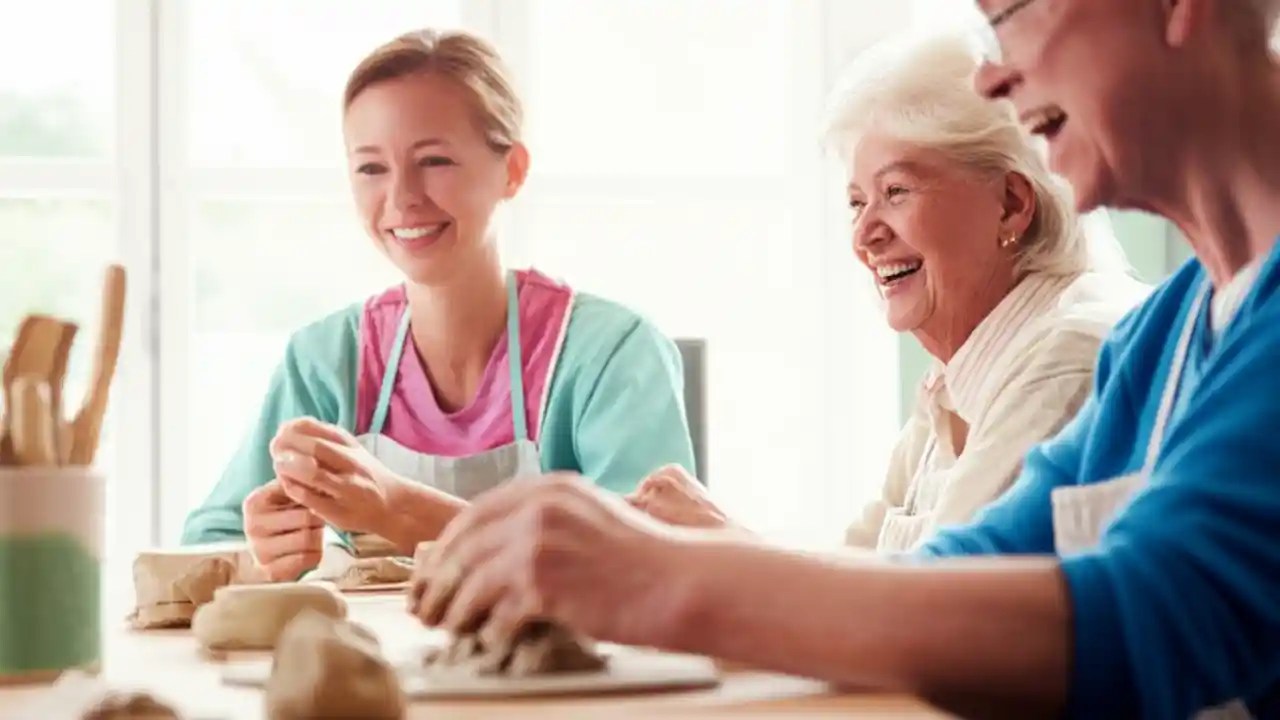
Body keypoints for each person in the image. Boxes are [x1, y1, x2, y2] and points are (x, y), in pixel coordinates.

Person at [409, 3, 1280, 718]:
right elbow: (956, 576)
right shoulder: (1162, 337)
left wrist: (656, 577)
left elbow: (1163, 609)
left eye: (1013, 15)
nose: (994, 77)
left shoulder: (1111, 339)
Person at [180, 28, 696, 583]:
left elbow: (649, 571)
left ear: (513, 170)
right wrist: (262, 552)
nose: (402, 197)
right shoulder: (325, 360)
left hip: (550, 670)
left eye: (435, 161)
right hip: (374, 667)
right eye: (371, 168)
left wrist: (395, 506)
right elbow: (206, 546)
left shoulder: (611, 356)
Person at [627, 32, 1148, 553]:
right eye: (858, 203)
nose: (864, 235)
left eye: (895, 191)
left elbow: (935, 609)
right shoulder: (954, 384)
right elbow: (854, 573)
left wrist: (723, 544)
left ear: (1011, 205)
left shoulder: (1066, 360)